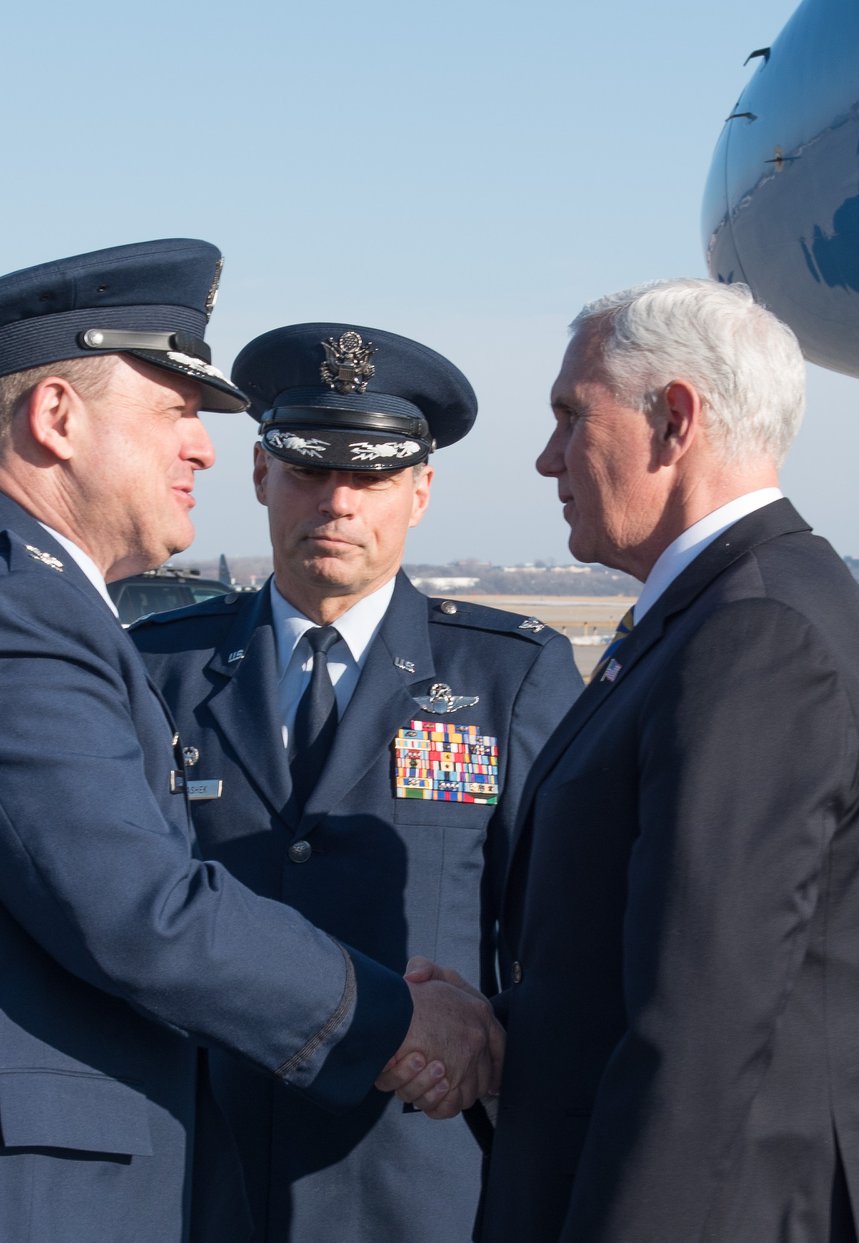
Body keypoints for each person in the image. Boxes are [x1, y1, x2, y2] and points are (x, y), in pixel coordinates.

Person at [0, 241, 499, 1243]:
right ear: (57, 418)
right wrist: (392, 1020)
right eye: (171, 410)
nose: (203, 448)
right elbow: (140, 908)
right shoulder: (4, 610)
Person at [477, 278, 859, 1241]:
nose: (546, 457)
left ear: (674, 419)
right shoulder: (726, 612)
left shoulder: (755, 637)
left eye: (572, 415)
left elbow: (703, 1020)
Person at [130, 322, 582, 1243]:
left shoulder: (510, 675)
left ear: (418, 490)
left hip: (420, 1166)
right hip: (201, 1163)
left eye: (370, 476)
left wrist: (483, 1042)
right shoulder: (155, 670)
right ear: (260, 475)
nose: (336, 503)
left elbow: (563, 929)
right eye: (307, 471)